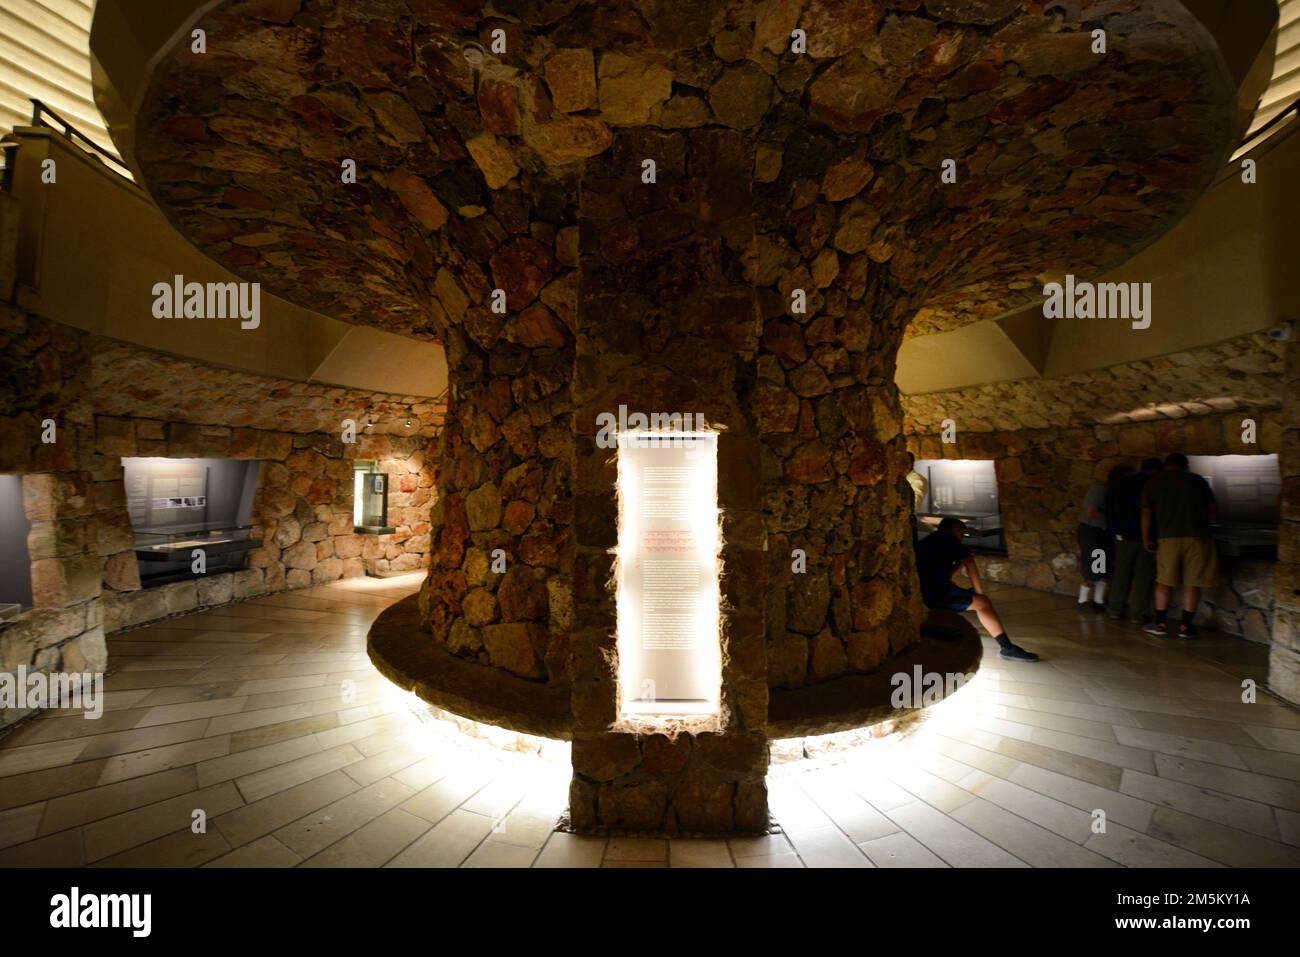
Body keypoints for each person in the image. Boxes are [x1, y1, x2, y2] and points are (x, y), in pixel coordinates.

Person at [915, 517, 1039, 661]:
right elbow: (970, 564)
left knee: (957, 590)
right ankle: (1007, 648)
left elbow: (942, 573)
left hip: (924, 590)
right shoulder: (950, 540)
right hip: (933, 594)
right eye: (961, 532)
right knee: (982, 603)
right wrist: (980, 593)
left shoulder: (931, 540)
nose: (962, 537)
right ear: (951, 530)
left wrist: (959, 565)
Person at [1141, 453, 1218, 639]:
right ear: (1185, 466)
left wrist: (1146, 538)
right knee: (1193, 582)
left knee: (1164, 581)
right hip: (1199, 538)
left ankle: (1161, 623)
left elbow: (1146, 513)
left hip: (1168, 538)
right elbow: (1213, 508)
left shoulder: (1154, 482)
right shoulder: (1198, 481)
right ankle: (1186, 626)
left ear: (1165, 465)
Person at [1105, 458, 1162, 623]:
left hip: (1121, 537)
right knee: (1143, 576)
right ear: (1156, 471)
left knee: (1121, 573)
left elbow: (1110, 510)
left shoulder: (1118, 485)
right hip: (1146, 538)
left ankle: (1114, 608)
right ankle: (1137, 613)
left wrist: (1115, 531)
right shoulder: (1152, 485)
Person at [1077, 470, 1120, 611]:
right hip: (1094, 532)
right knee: (1095, 567)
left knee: (1103, 568)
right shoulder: (1100, 490)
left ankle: (1098, 600)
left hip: (1102, 533)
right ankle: (1083, 601)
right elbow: (1091, 512)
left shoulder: (1105, 491)